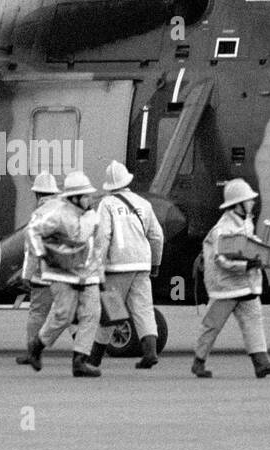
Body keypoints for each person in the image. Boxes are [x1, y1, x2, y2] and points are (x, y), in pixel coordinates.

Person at [191, 178, 270, 379]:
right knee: (212, 325)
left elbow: (250, 245)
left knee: (254, 321)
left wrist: (262, 253)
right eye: (248, 200)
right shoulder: (223, 229)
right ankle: (198, 362)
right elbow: (221, 261)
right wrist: (248, 265)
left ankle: (261, 364)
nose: (252, 202)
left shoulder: (246, 222)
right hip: (226, 288)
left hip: (245, 285)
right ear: (238, 204)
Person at [22, 170, 104, 378]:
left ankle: (80, 360)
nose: (89, 198)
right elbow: (31, 231)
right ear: (74, 198)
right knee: (63, 315)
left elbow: (98, 247)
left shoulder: (92, 216)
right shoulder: (57, 214)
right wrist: (42, 254)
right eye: (85, 195)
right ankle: (37, 346)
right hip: (62, 273)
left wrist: (100, 275)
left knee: (92, 314)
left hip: (89, 274)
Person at [91, 160, 164, 370]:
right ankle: (150, 352)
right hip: (142, 264)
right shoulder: (143, 203)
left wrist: (98, 266)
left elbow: (103, 236)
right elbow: (157, 236)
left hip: (117, 266)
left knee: (111, 311)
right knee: (143, 309)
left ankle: (94, 358)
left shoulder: (107, 204)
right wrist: (155, 263)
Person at [14, 172, 60, 366]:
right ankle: (83, 353)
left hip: (43, 276)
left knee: (38, 313)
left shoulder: (38, 215)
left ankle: (33, 352)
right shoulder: (66, 212)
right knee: (70, 314)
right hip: (66, 275)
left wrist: (26, 275)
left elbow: (31, 250)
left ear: (37, 194)